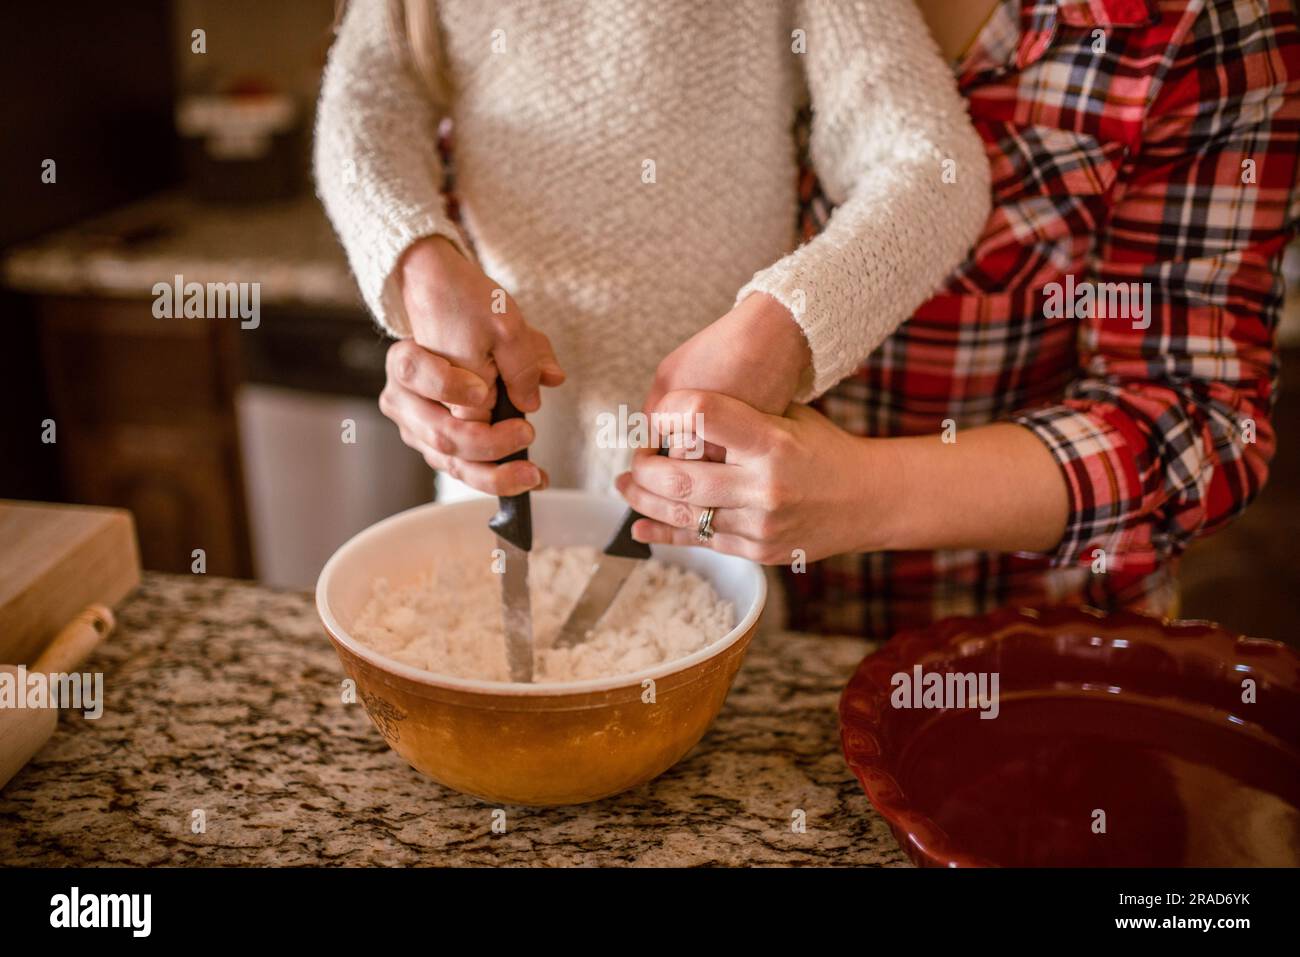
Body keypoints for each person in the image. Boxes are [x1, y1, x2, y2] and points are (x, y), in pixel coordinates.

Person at [618, 0, 1300, 636]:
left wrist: (862, 492)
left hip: (1020, 640)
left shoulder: (1195, 24)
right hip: (711, 628)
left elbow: (1199, 422)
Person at [315, 0, 990, 500]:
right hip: (488, 474)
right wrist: (419, 265)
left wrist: (788, 325)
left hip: (707, 499)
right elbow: (363, 111)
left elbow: (934, 166)